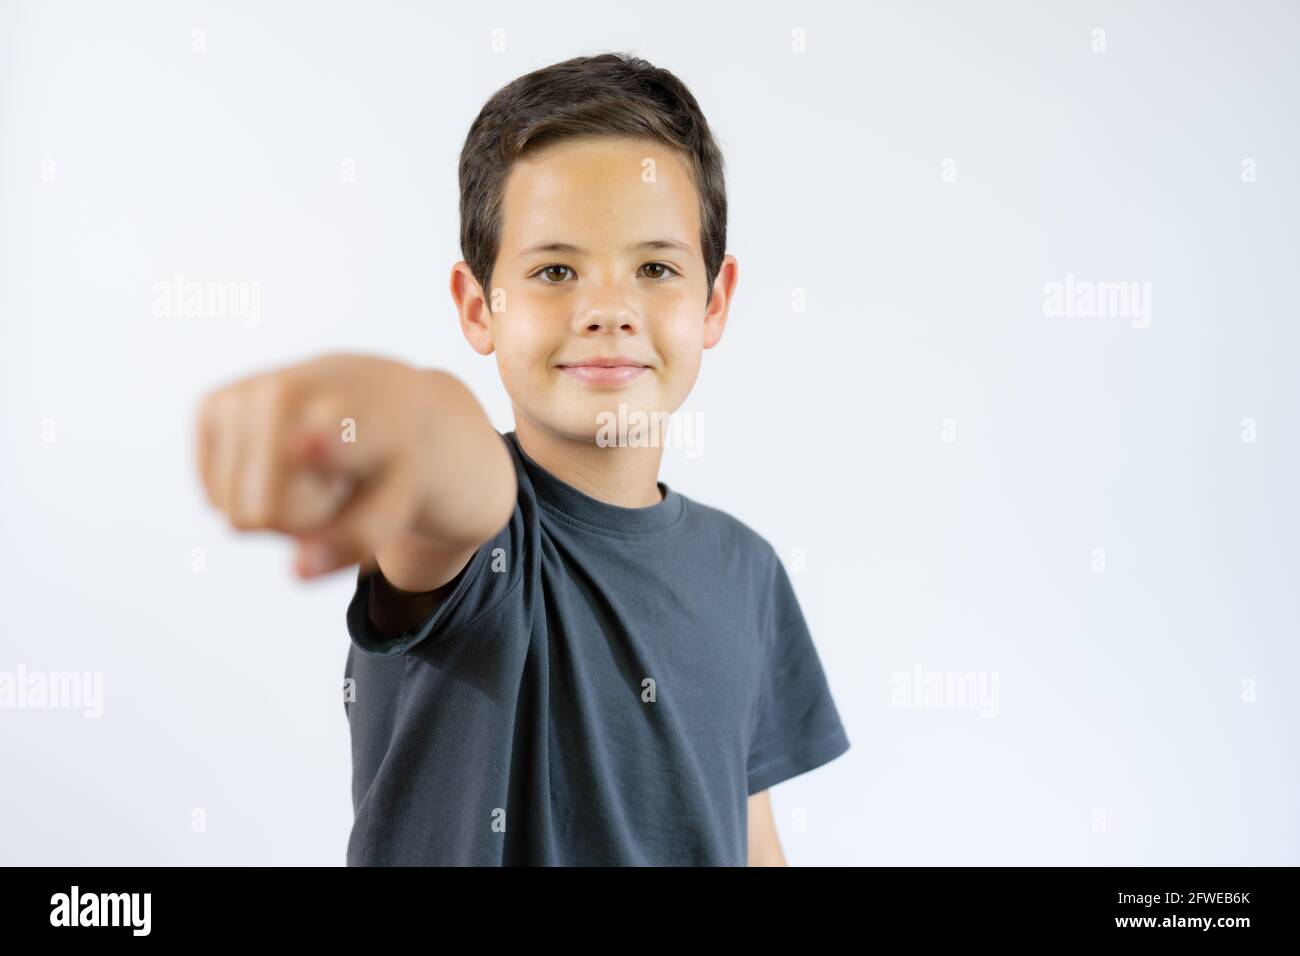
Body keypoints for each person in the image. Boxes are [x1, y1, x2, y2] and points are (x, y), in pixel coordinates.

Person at [195, 52, 850, 865]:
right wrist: (398, 413)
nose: (607, 309)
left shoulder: (748, 572)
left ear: (713, 302)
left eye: (654, 268)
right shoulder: (474, 538)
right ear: (479, 308)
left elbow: (750, 837)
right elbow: (450, 465)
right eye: (554, 271)